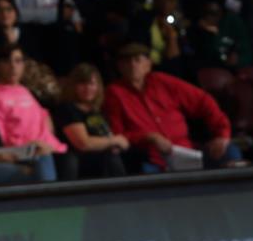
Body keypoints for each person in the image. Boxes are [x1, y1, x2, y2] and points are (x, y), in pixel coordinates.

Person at [104, 45, 243, 170]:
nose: (133, 65)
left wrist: (222, 135)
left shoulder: (162, 82)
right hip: (150, 157)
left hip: (185, 150)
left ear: (148, 63)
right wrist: (149, 137)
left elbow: (203, 101)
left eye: (137, 60)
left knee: (229, 152)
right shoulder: (114, 93)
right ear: (119, 66)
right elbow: (118, 134)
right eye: (127, 61)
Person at [0, 48, 63, 182]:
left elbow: (44, 118)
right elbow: (0, 138)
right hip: (23, 153)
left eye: (18, 61)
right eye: (7, 61)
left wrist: (46, 141)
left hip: (47, 148)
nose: (13, 66)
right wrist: (30, 147)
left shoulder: (25, 90)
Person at [53, 63, 129, 181]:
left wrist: (115, 144)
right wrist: (114, 141)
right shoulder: (68, 109)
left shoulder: (97, 110)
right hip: (79, 160)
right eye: (82, 84)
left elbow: (106, 135)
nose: (88, 88)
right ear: (73, 86)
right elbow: (83, 143)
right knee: (111, 158)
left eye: (92, 84)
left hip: (101, 159)